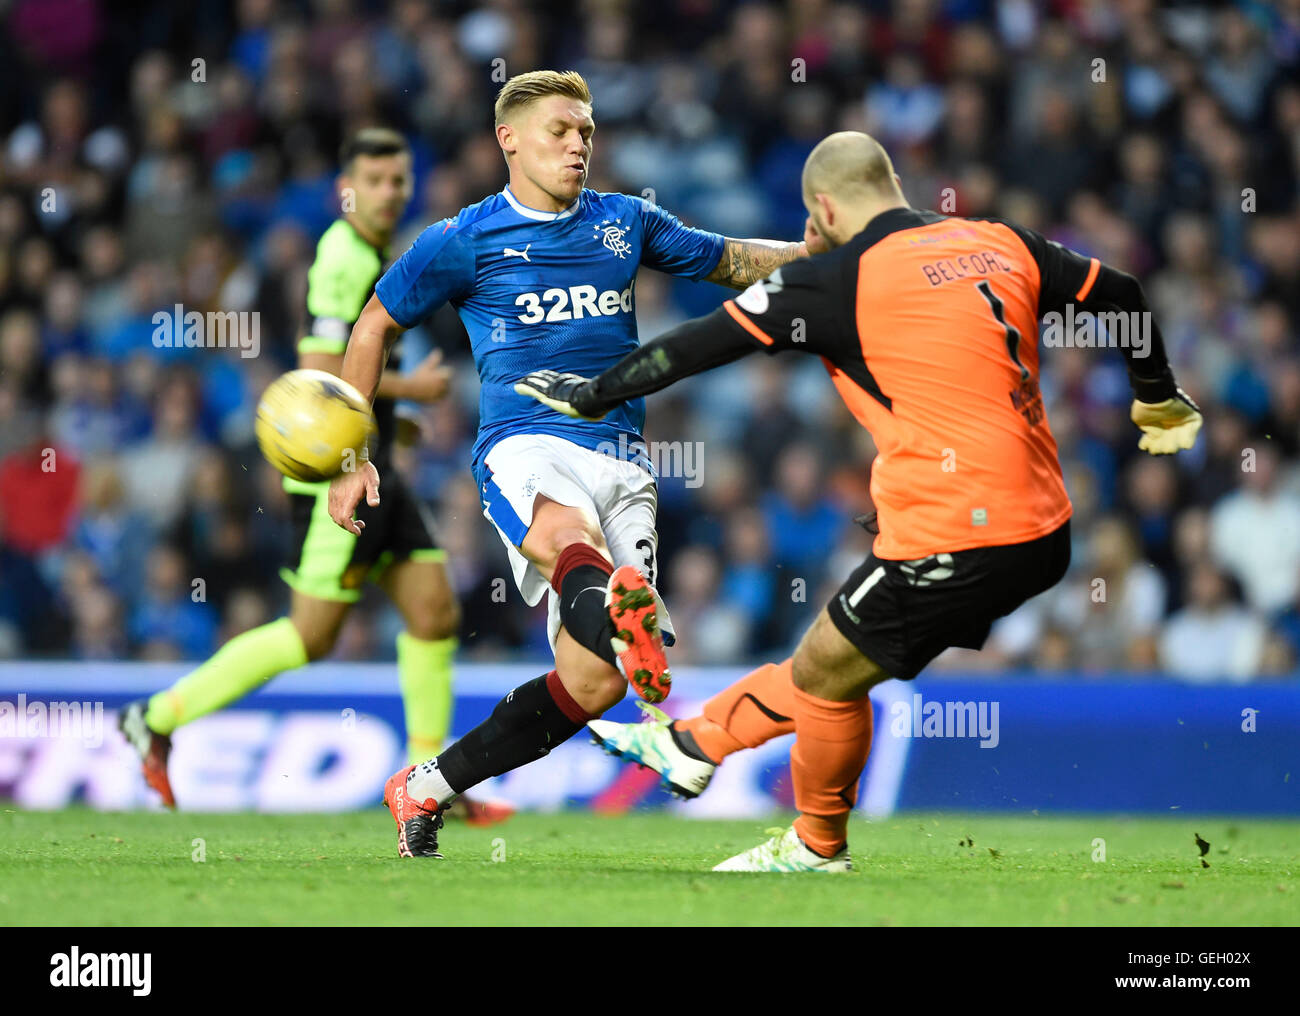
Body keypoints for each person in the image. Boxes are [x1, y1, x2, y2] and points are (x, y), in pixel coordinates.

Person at [517, 130, 1203, 871]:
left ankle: (766, 805)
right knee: (834, 665)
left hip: (964, 529)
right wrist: (1157, 398)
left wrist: (593, 393)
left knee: (822, 672)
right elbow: (1124, 294)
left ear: (824, 208)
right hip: (1043, 527)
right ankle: (720, 764)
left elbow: (692, 347)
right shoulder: (999, 240)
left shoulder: (837, 278)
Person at [326, 70, 808, 858]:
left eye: (586, 131)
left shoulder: (626, 222)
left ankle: (425, 787)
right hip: (523, 439)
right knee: (562, 534)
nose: (579, 145)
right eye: (560, 131)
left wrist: (824, 252)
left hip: (621, 456)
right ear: (508, 140)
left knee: (594, 686)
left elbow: (732, 262)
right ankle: (625, 618)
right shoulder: (463, 239)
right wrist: (354, 453)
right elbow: (371, 325)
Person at [120, 129, 511, 825]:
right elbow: (325, 370)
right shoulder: (339, 258)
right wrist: (411, 391)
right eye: (378, 180)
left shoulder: (371, 252)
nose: (392, 193)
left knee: (433, 612)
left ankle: (429, 786)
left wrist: (395, 427)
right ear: (346, 189)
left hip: (376, 466)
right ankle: (156, 716)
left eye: (400, 180)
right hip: (340, 474)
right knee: (309, 635)